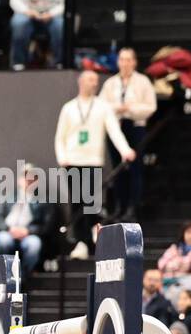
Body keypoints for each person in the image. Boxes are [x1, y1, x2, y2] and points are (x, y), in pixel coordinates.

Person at [54, 69, 134, 257]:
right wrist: (62, 157)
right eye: (91, 79)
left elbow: (114, 131)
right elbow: (60, 137)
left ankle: (92, 235)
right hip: (72, 161)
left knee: (92, 201)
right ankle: (81, 241)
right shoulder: (69, 108)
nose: (94, 83)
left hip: (92, 161)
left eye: (96, 80)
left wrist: (125, 150)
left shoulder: (102, 106)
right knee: (76, 202)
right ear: (81, 82)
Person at [100, 47, 157, 219]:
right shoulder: (110, 83)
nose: (125, 63)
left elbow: (150, 107)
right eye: (122, 60)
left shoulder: (143, 82)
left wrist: (130, 109)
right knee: (118, 168)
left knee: (135, 168)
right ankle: (119, 204)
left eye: (128, 60)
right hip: (116, 126)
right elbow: (101, 106)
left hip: (135, 125)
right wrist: (117, 108)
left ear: (134, 62)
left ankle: (133, 206)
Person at [0, 165, 54, 275]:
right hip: (8, 232)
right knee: (3, 240)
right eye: (25, 177)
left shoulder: (44, 201)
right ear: (19, 180)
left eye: (32, 178)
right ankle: (6, 273)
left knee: (34, 244)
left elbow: (47, 226)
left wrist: (28, 231)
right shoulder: (8, 197)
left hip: (28, 235)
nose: (28, 181)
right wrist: (9, 229)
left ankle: (23, 275)